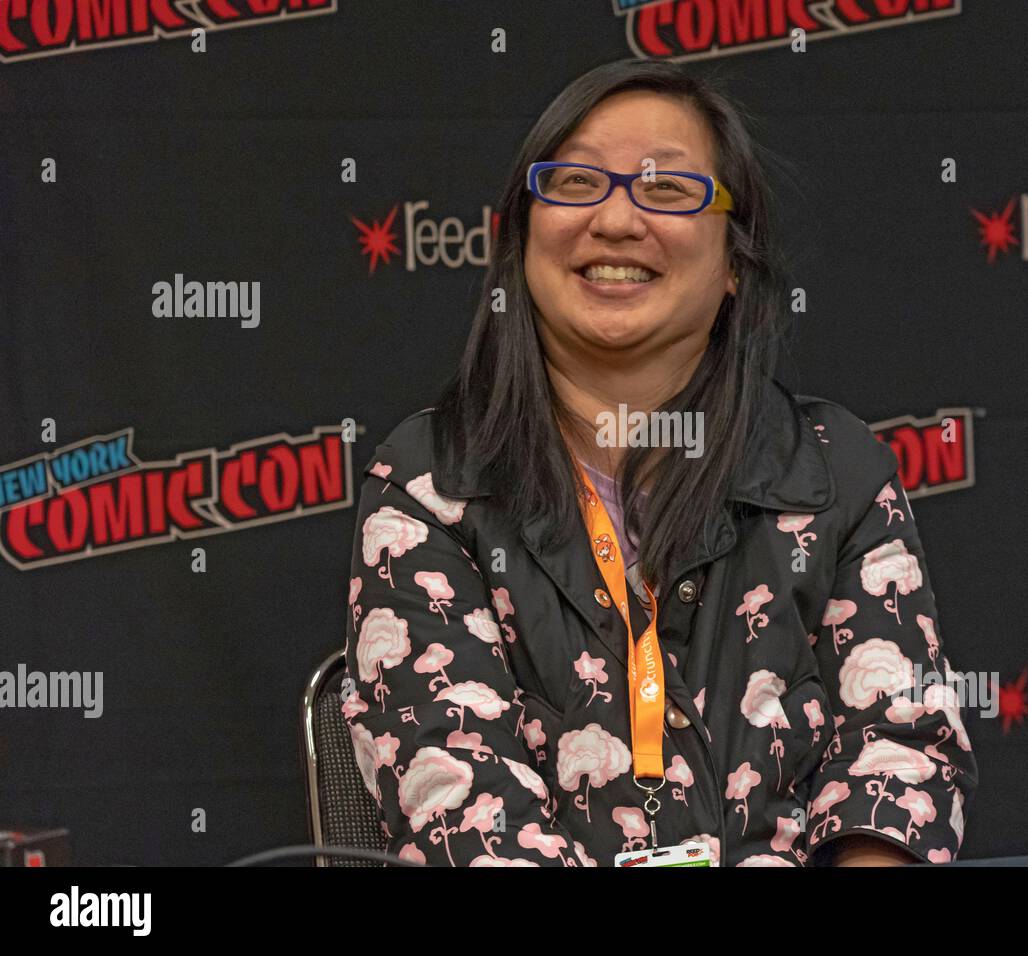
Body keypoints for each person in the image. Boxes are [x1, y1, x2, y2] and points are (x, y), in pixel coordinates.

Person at [342, 58, 978, 867]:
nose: (613, 221)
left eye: (667, 190)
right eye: (574, 184)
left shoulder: (832, 474)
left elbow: (901, 756)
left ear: (734, 267)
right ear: (520, 238)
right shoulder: (432, 487)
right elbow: (462, 807)